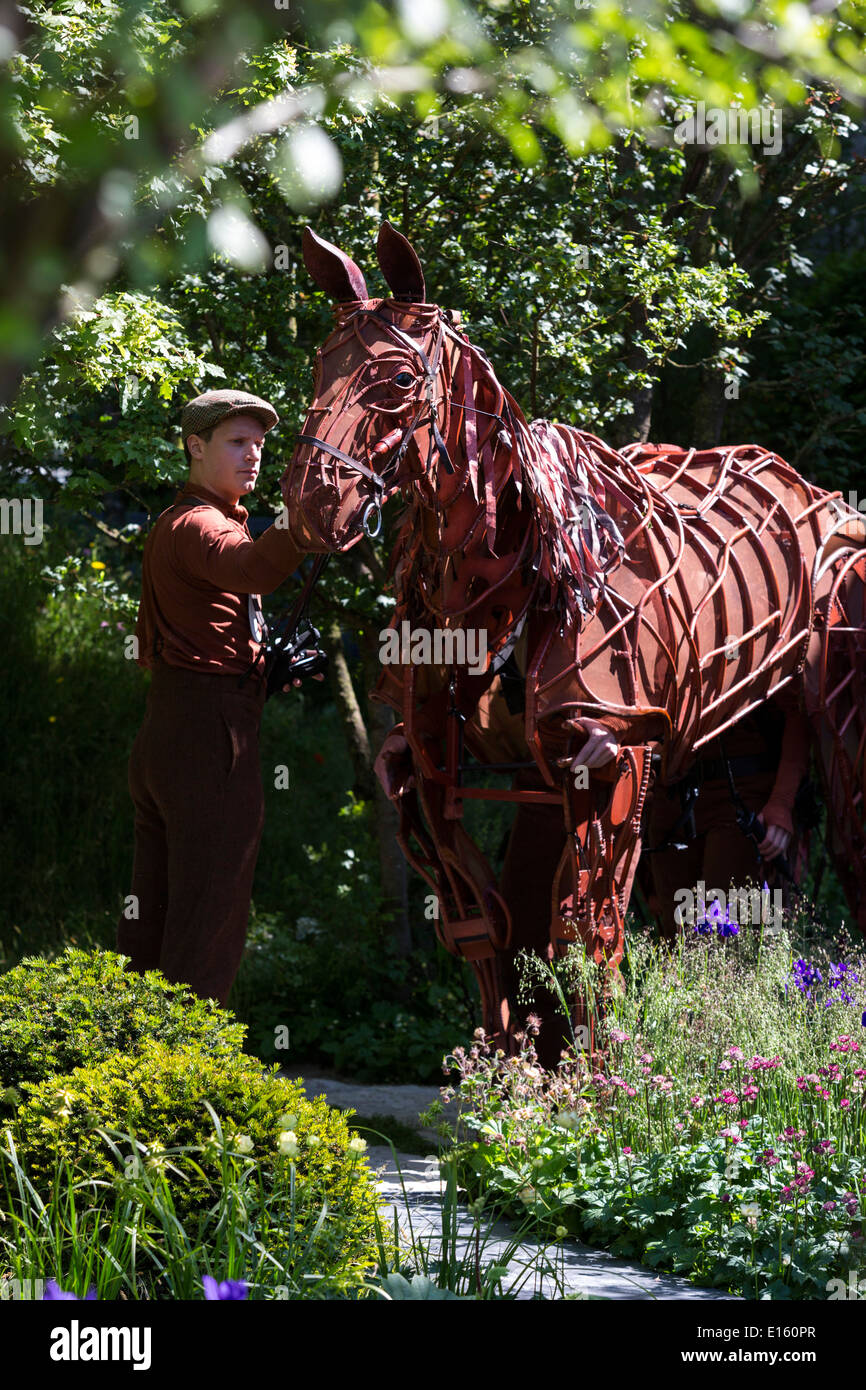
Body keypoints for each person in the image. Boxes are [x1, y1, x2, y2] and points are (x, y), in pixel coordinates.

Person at [117, 389, 321, 1005]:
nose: (253, 455)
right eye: (237, 441)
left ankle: (120, 1064)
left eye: (259, 443)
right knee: (208, 922)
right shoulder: (200, 523)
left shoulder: (187, 520)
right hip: (210, 740)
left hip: (174, 731)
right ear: (195, 445)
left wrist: (260, 666)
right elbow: (256, 569)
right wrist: (303, 514)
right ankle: (185, 1080)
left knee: (150, 919)